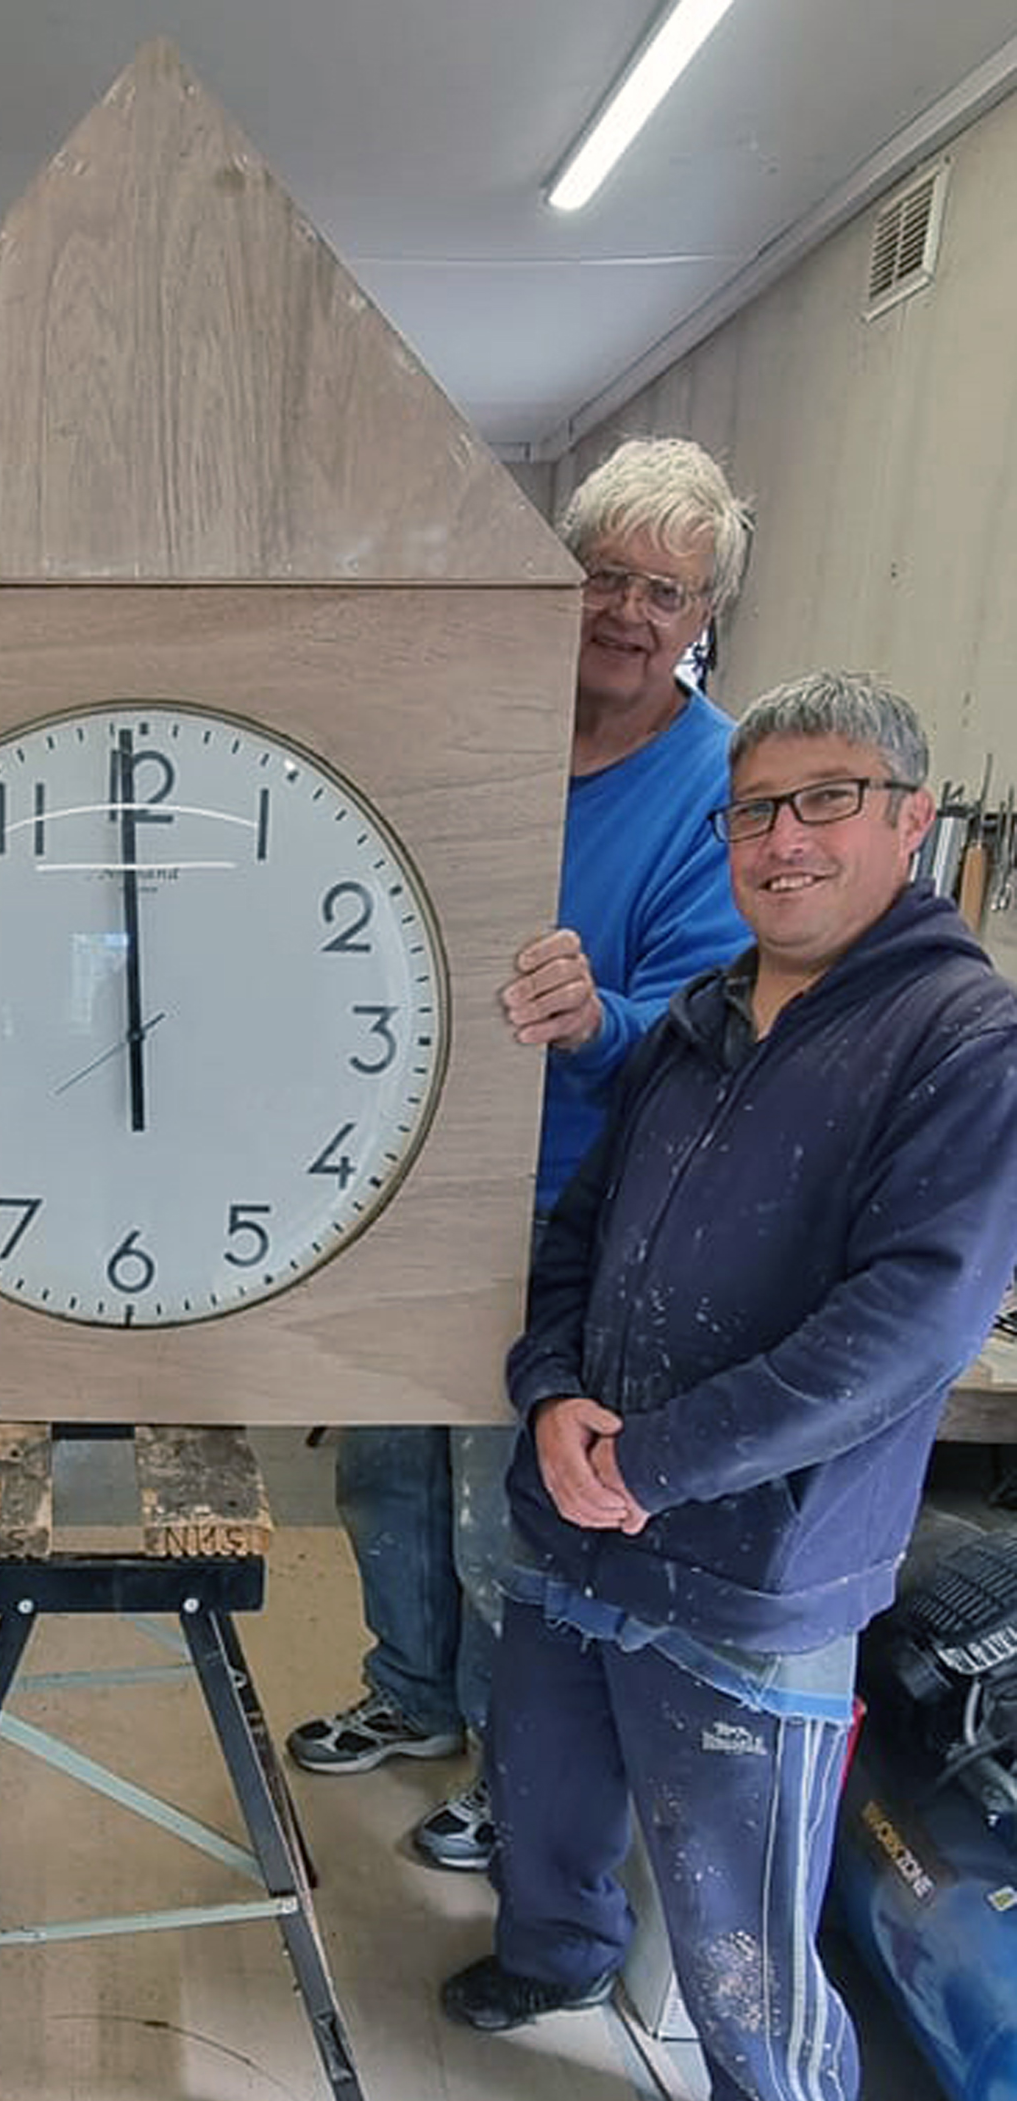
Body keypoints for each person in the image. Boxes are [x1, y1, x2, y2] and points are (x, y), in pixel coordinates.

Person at [440, 671, 1017, 2101]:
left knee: (735, 1875)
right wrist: (552, 1391)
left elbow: (905, 1328)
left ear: (912, 817)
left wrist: (659, 1460)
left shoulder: (962, 1040)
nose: (782, 839)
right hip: (583, 1508)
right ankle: (555, 1953)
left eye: (825, 799)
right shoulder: (700, 1016)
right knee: (545, 1785)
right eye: (754, 808)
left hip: (752, 1551)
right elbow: (570, 1236)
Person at [288, 437, 754, 1871]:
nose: (626, 611)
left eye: (662, 591)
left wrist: (594, 1014)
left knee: (514, 1512)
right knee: (386, 1466)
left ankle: (515, 1764)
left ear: (700, 619)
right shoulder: (473, 728)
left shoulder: (717, 780)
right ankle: (412, 1694)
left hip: (573, 1208)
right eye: (602, 575)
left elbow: (711, 1017)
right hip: (397, 1171)